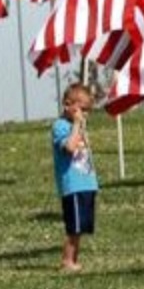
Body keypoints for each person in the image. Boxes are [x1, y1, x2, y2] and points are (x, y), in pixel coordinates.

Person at [52, 83, 99, 272]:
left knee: (82, 226)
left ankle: (74, 259)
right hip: (73, 186)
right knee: (74, 227)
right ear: (67, 105)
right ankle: (67, 260)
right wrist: (77, 125)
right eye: (82, 109)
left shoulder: (77, 126)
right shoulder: (61, 126)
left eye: (88, 111)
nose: (85, 115)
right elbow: (70, 148)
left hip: (85, 182)